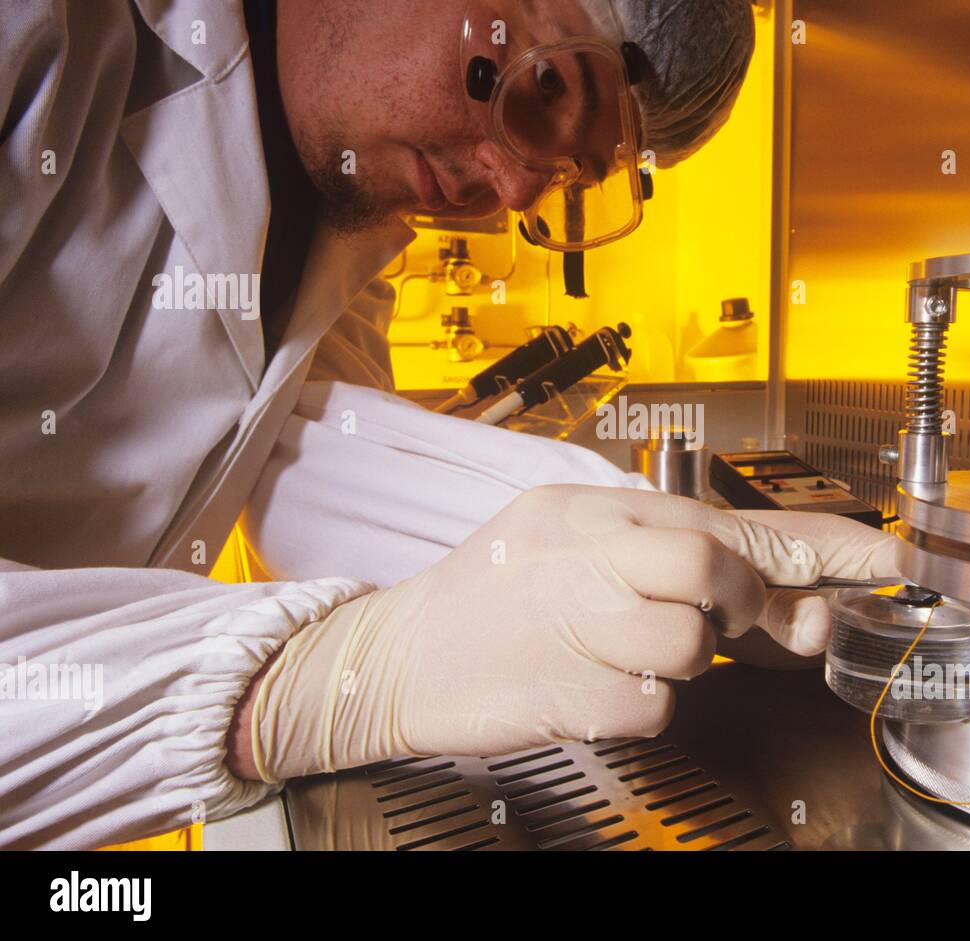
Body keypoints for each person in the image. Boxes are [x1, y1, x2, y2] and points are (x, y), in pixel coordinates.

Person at [0, 0, 897, 849]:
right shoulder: (39, 37)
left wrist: (670, 552)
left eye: (565, 172)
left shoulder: (348, 219)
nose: (508, 187)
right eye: (546, 87)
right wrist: (311, 691)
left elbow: (299, 456)